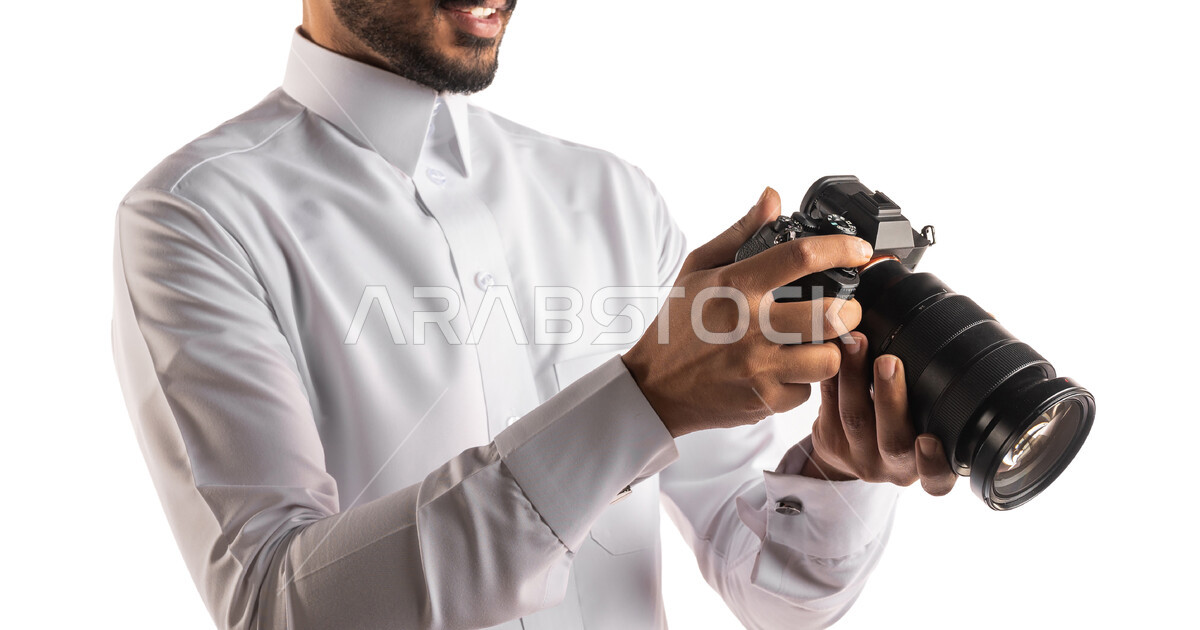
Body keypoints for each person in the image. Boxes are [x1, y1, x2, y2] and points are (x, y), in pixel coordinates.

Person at [110, 1, 957, 628]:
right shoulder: (196, 218)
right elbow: (273, 606)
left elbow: (764, 581)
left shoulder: (609, 198)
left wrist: (836, 475)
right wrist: (640, 402)